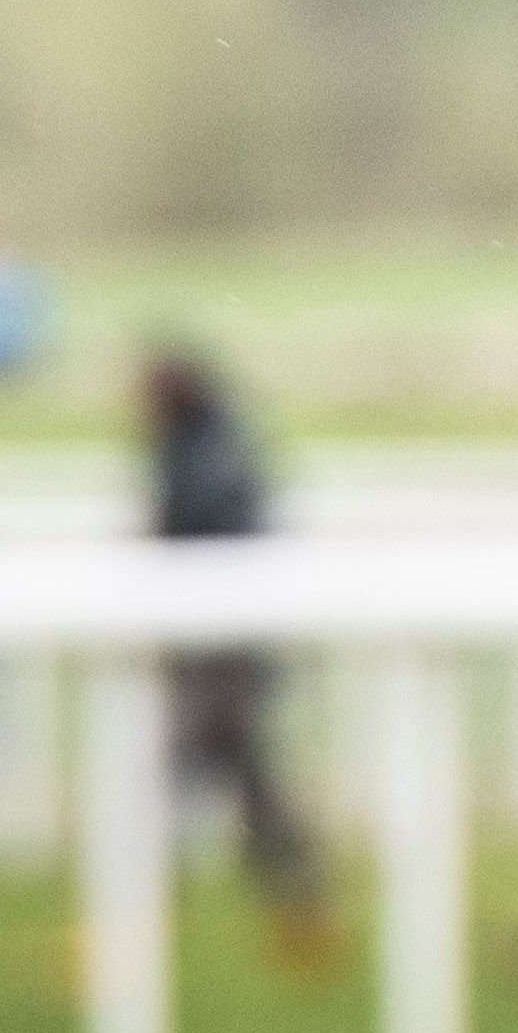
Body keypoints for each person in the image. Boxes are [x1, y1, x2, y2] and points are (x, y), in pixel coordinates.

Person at [137, 343, 336, 972]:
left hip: (224, 649)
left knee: (188, 778)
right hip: (223, 645)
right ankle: (303, 912)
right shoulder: (202, 442)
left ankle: (137, 921)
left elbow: (196, 536)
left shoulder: (208, 452)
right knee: (247, 786)